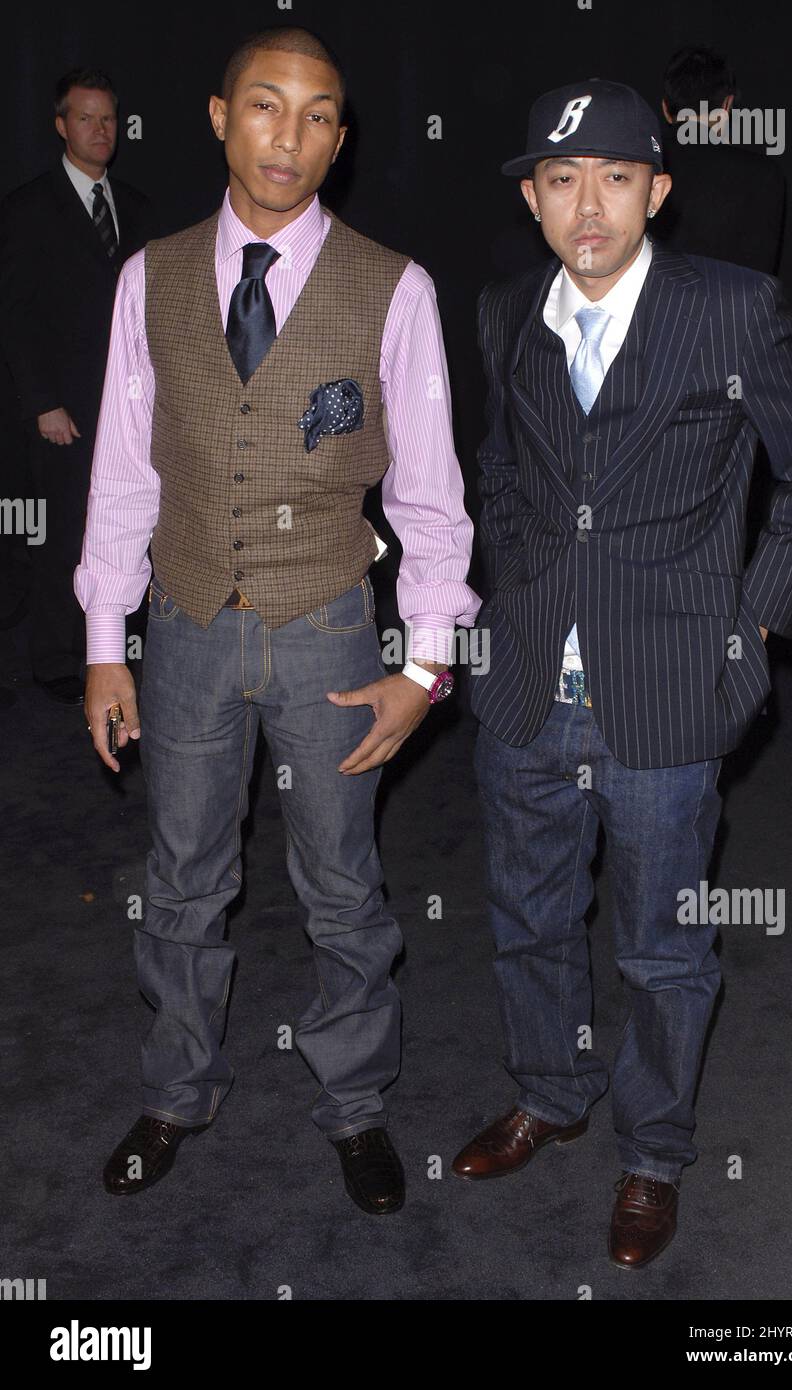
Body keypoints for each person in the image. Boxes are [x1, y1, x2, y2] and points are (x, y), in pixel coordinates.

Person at [453, 78, 792, 1267]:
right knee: (528, 918)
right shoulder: (498, 311)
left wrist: (755, 624)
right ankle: (550, 1090)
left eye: (617, 179)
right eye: (563, 180)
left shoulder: (735, 310)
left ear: (658, 192)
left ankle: (652, 1151)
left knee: (662, 945)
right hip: (528, 682)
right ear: (531, 197)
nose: (590, 205)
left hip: (671, 688)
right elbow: (503, 469)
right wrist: (511, 587)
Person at [76, 25, 479, 1215]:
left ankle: (354, 1104)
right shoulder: (145, 276)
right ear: (217, 117)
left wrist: (428, 665)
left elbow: (430, 495)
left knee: (344, 885)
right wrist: (107, 644)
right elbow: (122, 478)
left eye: (315, 116)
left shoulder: (396, 287)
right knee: (184, 879)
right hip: (190, 626)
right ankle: (174, 1090)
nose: (287, 137)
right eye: (265, 106)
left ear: (339, 140)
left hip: (330, 633)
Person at [0, 69, 152, 703]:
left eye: (109, 120)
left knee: (128, 524)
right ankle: (61, 657)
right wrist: (42, 402)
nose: (100, 131)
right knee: (67, 529)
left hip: (132, 404)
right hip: (64, 408)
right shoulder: (27, 208)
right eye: (86, 119)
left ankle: (117, 649)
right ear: (62, 125)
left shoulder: (139, 207)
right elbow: (12, 311)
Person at [650, 45, 786, 273]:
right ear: (727, 105)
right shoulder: (764, 176)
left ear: (665, 107)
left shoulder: (642, 166)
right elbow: (762, 280)